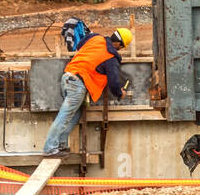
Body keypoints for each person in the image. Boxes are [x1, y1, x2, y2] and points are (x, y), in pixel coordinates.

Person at [42, 27, 134, 158]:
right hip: (77, 84)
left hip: (67, 76)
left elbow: (79, 45)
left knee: (75, 114)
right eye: (121, 47)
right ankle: (49, 148)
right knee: (65, 115)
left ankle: (60, 144)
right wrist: (120, 93)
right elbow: (113, 82)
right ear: (119, 44)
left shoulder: (95, 37)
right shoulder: (111, 57)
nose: (120, 49)